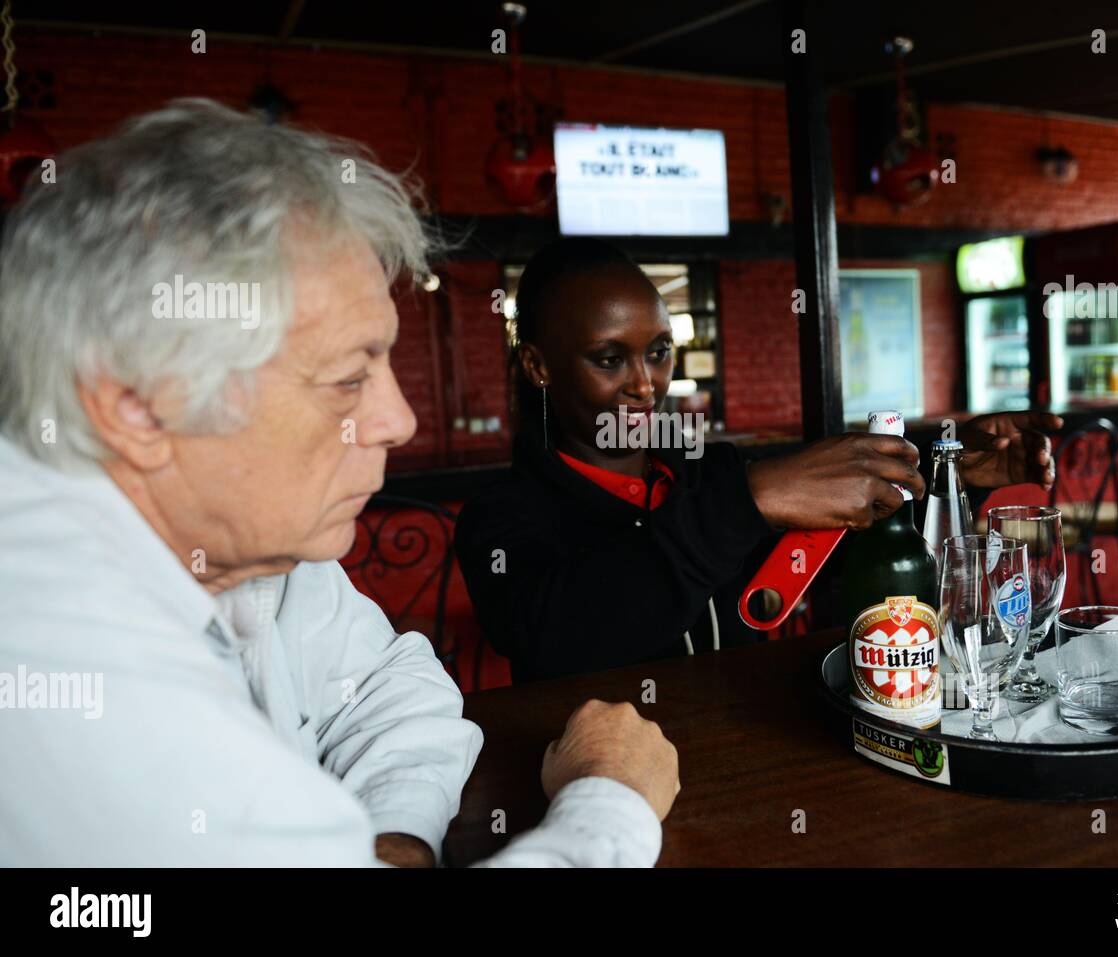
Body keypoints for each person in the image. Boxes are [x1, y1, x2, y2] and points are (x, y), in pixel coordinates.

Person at [0, 99, 677, 867]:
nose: (399, 420)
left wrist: (390, 838)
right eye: (350, 378)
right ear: (136, 407)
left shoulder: (250, 553)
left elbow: (395, 687)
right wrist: (609, 799)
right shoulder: (57, 662)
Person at [455, 238, 1062, 682]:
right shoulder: (503, 518)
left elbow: (848, 553)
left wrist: (948, 480)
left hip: (754, 759)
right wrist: (750, 501)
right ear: (538, 366)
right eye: (609, 359)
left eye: (660, 351)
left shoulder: (706, 470)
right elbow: (562, 632)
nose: (645, 384)